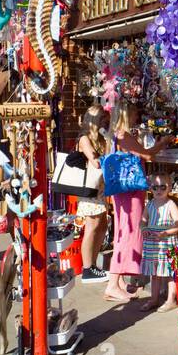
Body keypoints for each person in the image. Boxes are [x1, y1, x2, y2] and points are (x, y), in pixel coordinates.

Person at [103, 103, 169, 304]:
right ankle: (113, 284)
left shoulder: (116, 135)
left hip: (124, 191)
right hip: (130, 192)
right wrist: (163, 142)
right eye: (133, 112)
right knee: (128, 234)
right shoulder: (123, 135)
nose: (136, 115)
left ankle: (119, 281)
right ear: (126, 114)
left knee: (122, 232)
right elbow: (147, 155)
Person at [76, 105, 111, 283]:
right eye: (103, 118)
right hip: (90, 189)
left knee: (102, 225)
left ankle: (93, 265)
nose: (106, 121)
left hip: (100, 189)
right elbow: (95, 162)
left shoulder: (101, 139)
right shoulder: (84, 138)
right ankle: (87, 267)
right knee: (92, 226)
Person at [139, 173, 178, 312]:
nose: (158, 190)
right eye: (155, 187)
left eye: (162, 187)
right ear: (150, 188)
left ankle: (171, 299)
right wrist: (144, 228)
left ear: (169, 188)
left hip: (166, 240)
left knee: (169, 272)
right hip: (152, 241)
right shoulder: (150, 204)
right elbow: (143, 220)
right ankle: (154, 298)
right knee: (155, 272)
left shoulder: (170, 205)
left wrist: (166, 233)